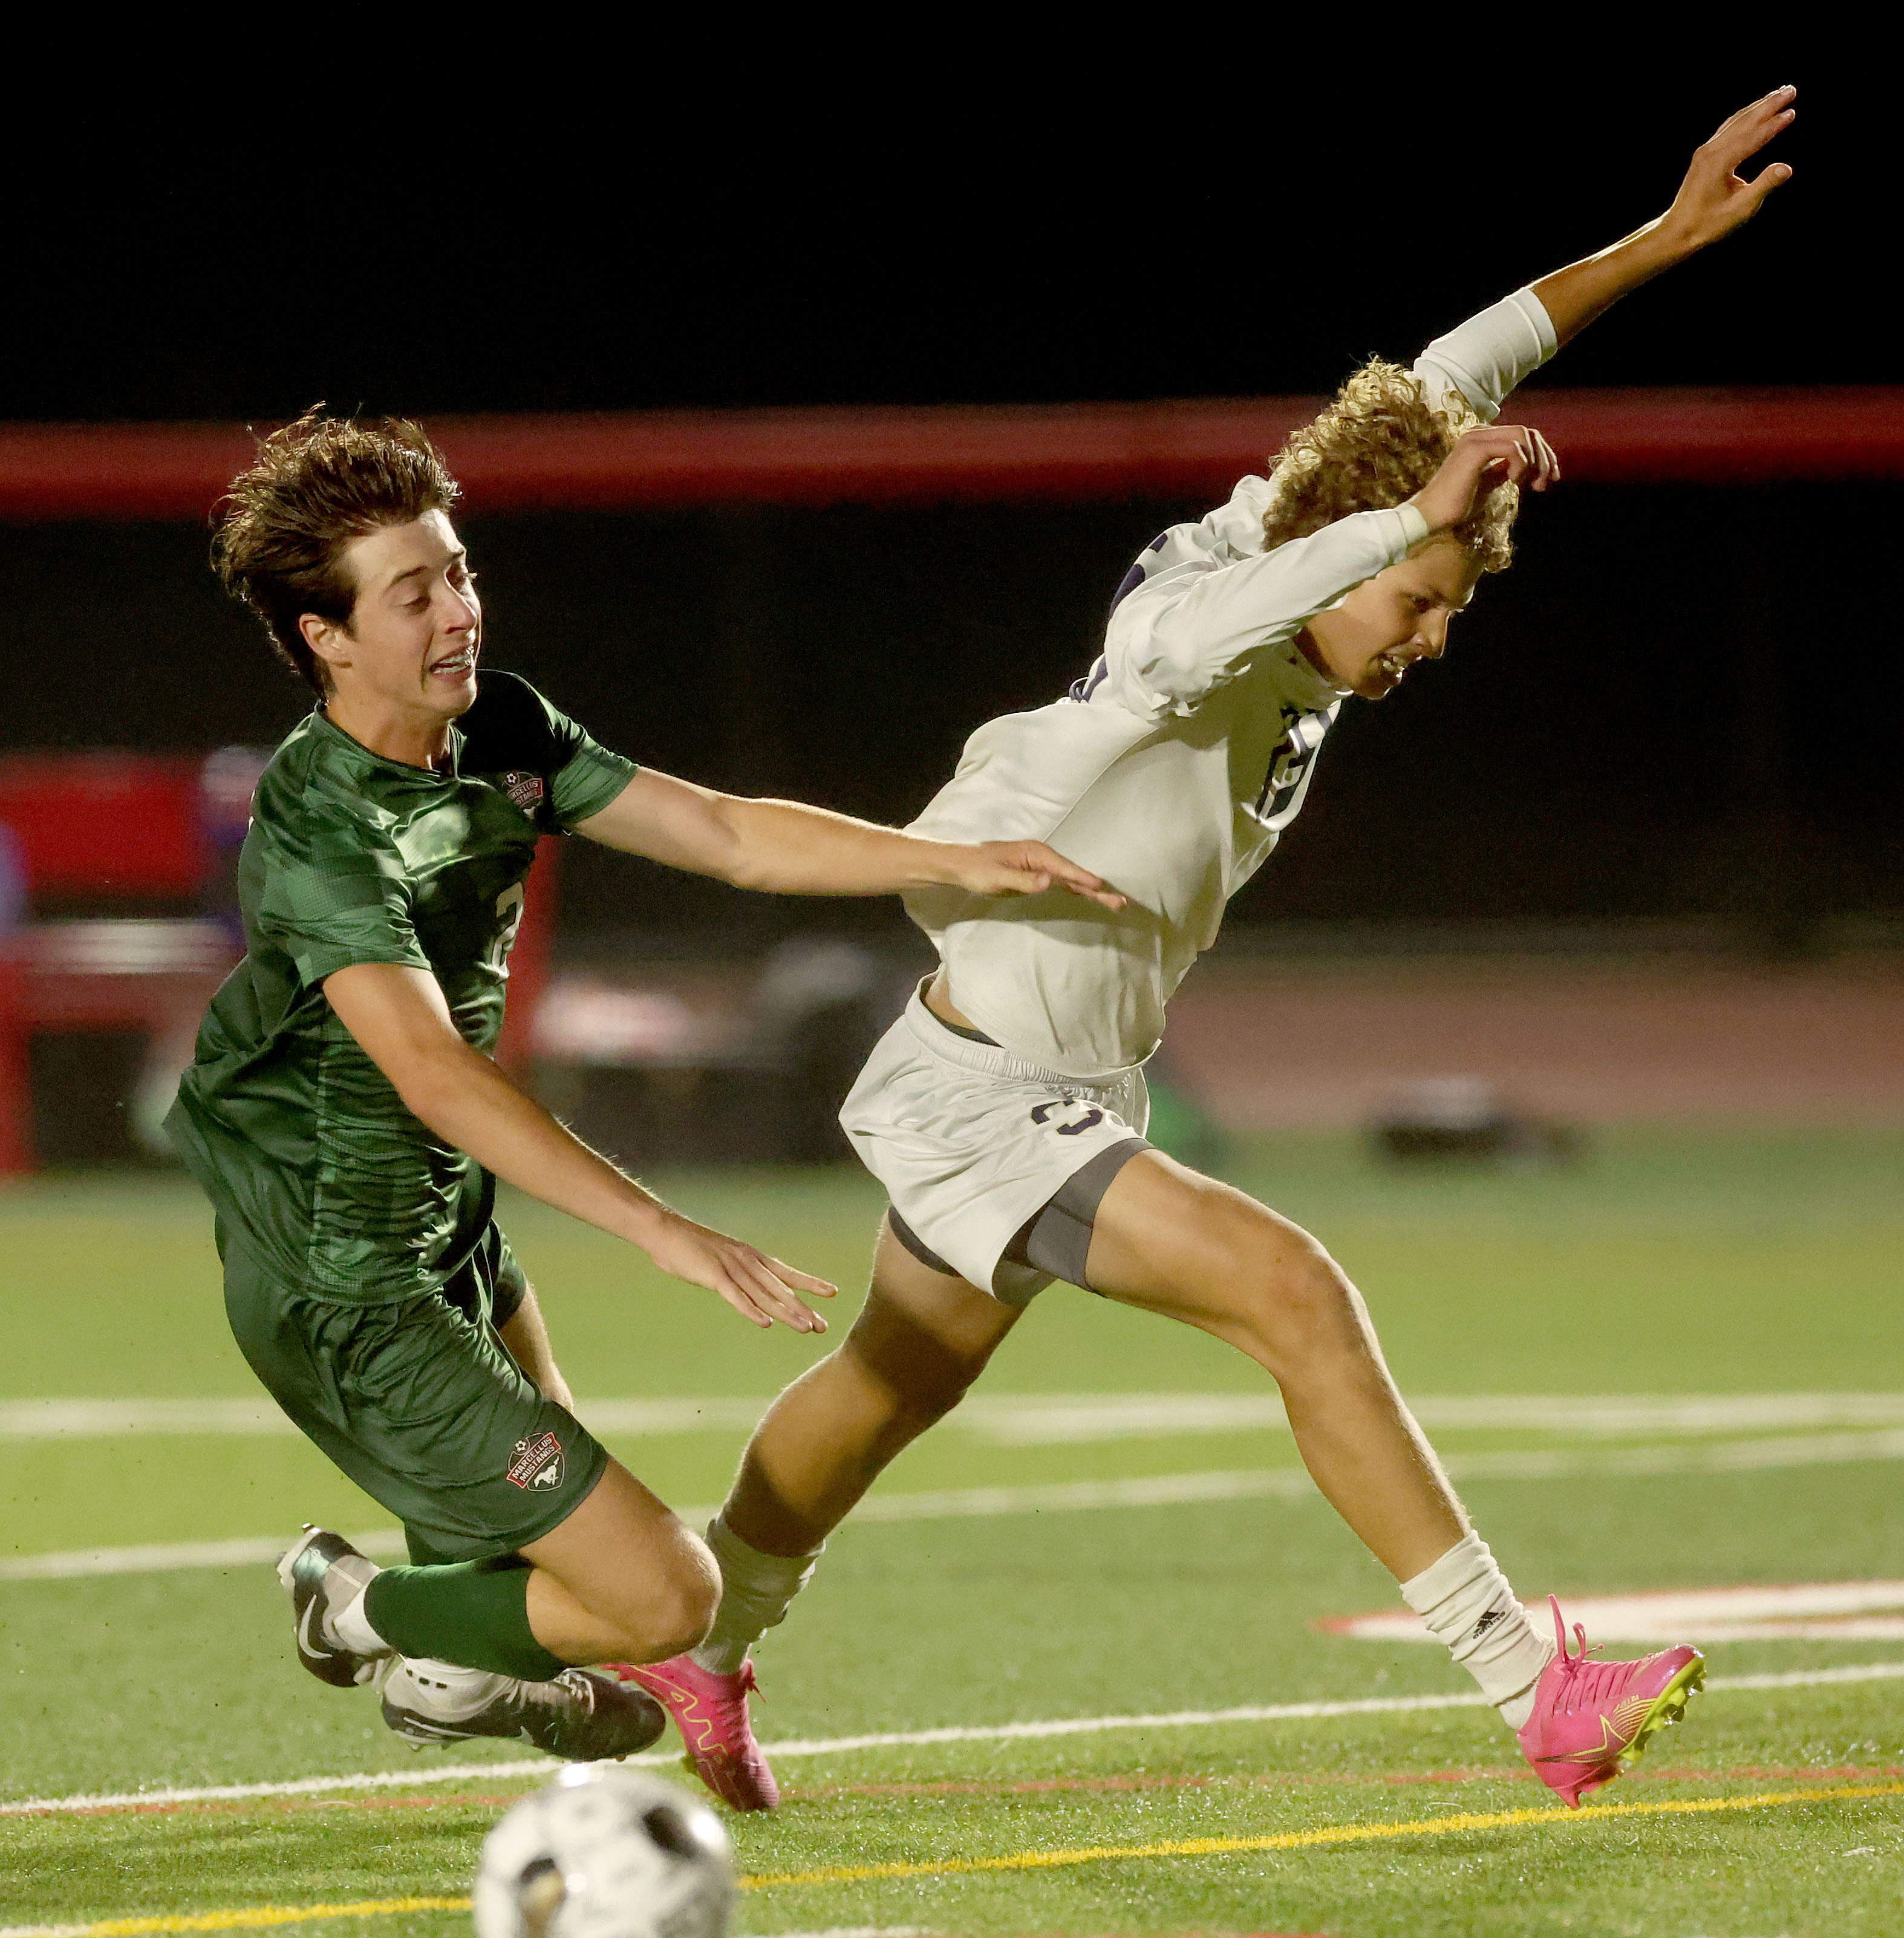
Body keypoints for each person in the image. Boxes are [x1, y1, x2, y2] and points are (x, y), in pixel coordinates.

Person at [622, 87, 1798, 1809]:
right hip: (997, 1097)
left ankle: (701, 1642)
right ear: (1354, 545)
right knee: (1296, 1296)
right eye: (1417, 604)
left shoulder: (1311, 547)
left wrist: (1656, 243)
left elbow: (1446, 373)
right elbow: (1286, 572)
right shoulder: (1208, 612)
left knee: (886, 1382)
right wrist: (1412, 524)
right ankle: (1532, 1683)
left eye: (1451, 613)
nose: (1424, 638)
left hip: (1023, 1066)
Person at [166, 414, 1119, 1761]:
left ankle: (453, 1666)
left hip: (444, 1237)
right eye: (413, 592)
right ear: (325, 638)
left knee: (569, 1607)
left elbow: (723, 832)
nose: (459, 611)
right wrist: (666, 1229)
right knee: (669, 1592)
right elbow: (434, 1074)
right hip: (344, 1279)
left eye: (459, 571)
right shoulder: (320, 828)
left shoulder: (494, 723)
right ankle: (359, 1607)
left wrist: (954, 861)